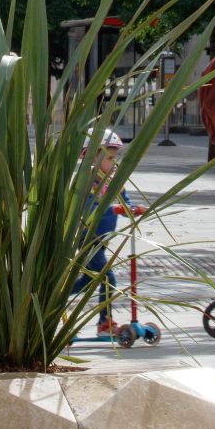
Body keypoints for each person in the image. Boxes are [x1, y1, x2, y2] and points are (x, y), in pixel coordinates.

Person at [74, 129, 135, 336]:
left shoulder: (114, 181)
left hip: (102, 241)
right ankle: (105, 323)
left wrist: (132, 209)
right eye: (109, 158)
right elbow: (89, 208)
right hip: (88, 240)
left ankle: (55, 300)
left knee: (86, 282)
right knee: (108, 279)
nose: (114, 163)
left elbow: (125, 200)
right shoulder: (86, 183)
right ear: (92, 158)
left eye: (115, 158)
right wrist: (113, 209)